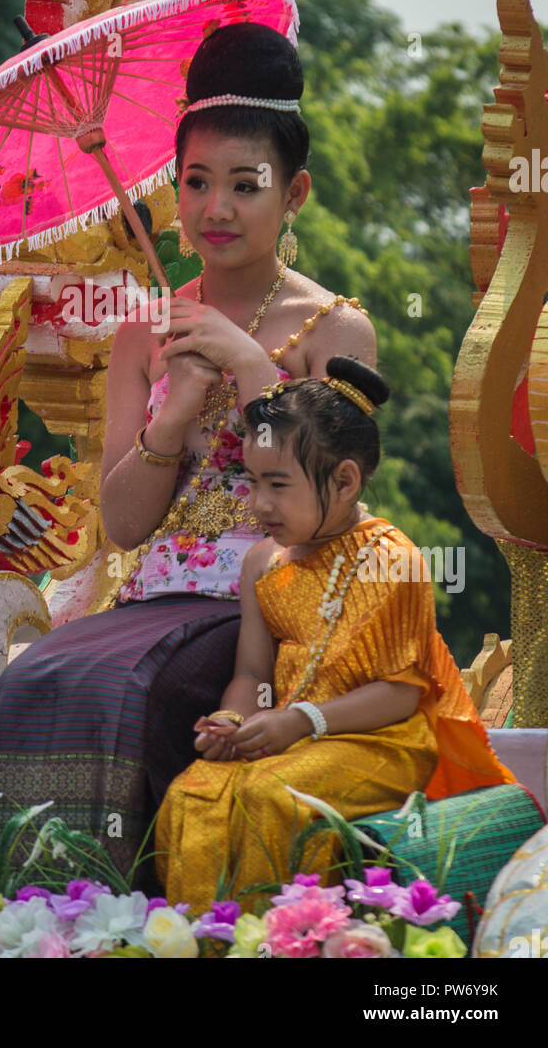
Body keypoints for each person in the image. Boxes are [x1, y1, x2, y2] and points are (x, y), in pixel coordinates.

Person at [0, 19, 376, 881]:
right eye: (196, 183)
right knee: (32, 681)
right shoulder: (144, 331)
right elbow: (123, 528)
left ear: (295, 191)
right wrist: (171, 419)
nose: (215, 209)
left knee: (138, 693)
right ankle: (48, 915)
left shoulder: (333, 328)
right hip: (154, 596)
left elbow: (327, 513)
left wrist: (245, 370)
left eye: (245, 184)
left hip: (274, 601)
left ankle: (148, 907)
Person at [155, 356, 517, 912]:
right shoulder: (261, 563)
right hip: (288, 734)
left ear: (345, 480)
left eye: (278, 484)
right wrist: (233, 722)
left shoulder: (390, 559)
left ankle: (277, 942)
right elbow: (251, 674)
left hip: (384, 741)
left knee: (272, 796)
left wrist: (302, 720)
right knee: (191, 793)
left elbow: (400, 693)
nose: (261, 504)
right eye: (253, 482)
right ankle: (203, 941)